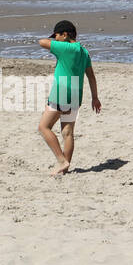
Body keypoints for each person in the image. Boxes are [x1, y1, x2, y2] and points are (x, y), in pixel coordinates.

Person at [36, 20, 101, 177]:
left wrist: (59, 43)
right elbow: (91, 76)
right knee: (68, 132)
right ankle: (64, 169)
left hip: (62, 91)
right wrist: (95, 97)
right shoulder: (83, 52)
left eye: (57, 35)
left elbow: (41, 42)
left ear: (65, 35)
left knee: (43, 128)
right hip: (76, 93)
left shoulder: (65, 47)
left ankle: (61, 161)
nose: (55, 39)